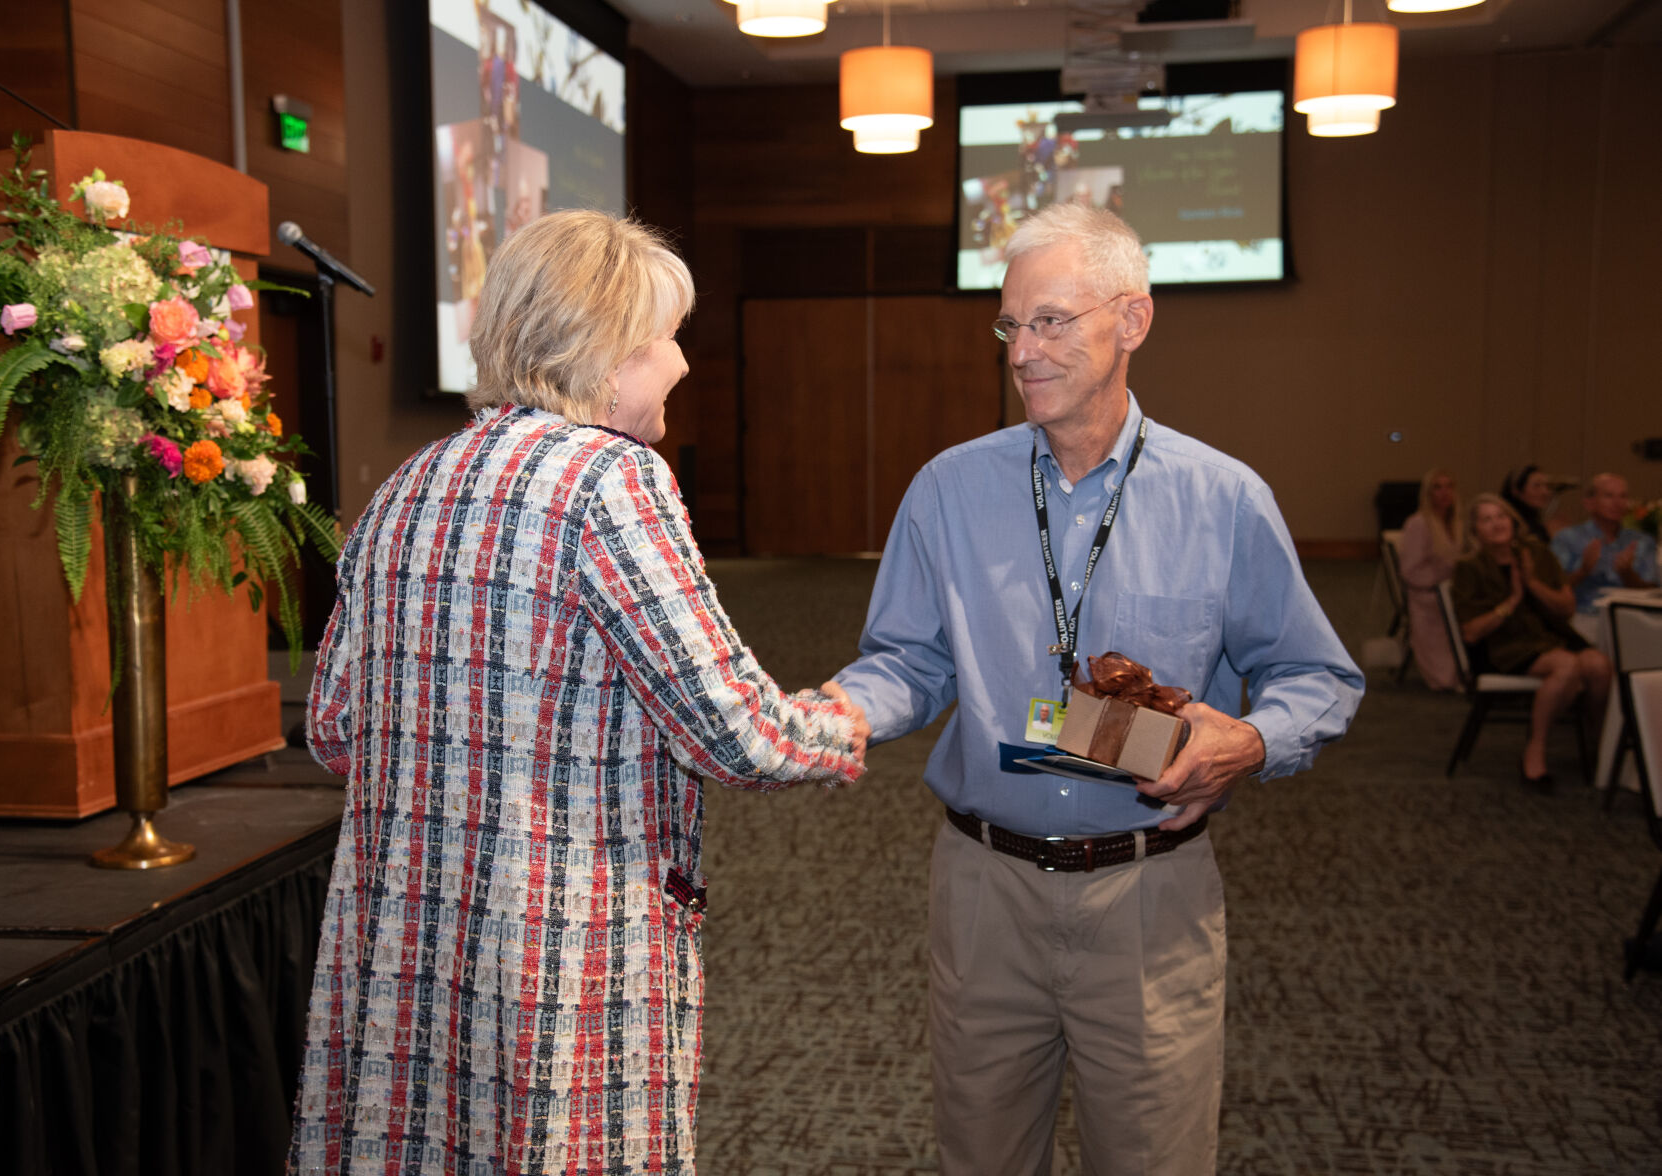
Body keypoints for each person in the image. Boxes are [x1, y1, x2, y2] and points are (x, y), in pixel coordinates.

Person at [288, 210, 869, 1175]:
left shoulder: (406, 484)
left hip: (410, 939)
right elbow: (732, 731)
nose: (682, 365)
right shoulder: (611, 479)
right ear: (610, 356)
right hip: (563, 941)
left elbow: (335, 727)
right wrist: (835, 728)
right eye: (667, 340)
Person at [832, 202, 1363, 1176]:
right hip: (983, 893)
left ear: (1133, 320)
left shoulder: (1221, 498)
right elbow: (907, 661)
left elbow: (1314, 675)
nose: (1022, 352)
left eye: (1051, 321)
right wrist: (835, 712)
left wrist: (1248, 741)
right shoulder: (948, 490)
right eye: (1010, 325)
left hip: (1149, 896)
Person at [1451, 493, 1610, 789]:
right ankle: (1535, 749)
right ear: (1475, 532)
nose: (1497, 523)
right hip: (1503, 647)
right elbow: (1471, 632)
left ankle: (1599, 742)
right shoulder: (1470, 568)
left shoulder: (1536, 554)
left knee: (1600, 666)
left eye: (1501, 516)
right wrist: (1512, 601)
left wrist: (1532, 584)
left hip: (1550, 637)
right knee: (1567, 666)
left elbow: (1566, 608)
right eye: (1486, 519)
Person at [1550, 472, 1658, 612]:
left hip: (1632, 619)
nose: (1617, 503)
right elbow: (1552, 590)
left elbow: (1653, 592)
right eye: (1609, 496)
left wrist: (1627, 574)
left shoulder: (1641, 541)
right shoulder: (1567, 538)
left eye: (1622, 496)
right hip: (1583, 615)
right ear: (1589, 503)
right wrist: (1584, 570)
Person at [1397, 467, 1463, 690]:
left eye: (1449, 487)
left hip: (1453, 593)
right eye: (1437, 487)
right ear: (1428, 493)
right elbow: (1410, 571)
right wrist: (1445, 575)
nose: (1444, 493)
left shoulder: (1457, 524)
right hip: (1428, 599)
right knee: (1445, 680)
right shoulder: (1419, 524)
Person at [1501, 464, 1563, 539]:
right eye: (1537, 486)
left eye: (1547, 486)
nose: (1545, 492)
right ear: (1517, 491)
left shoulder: (1537, 521)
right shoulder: (1507, 523)